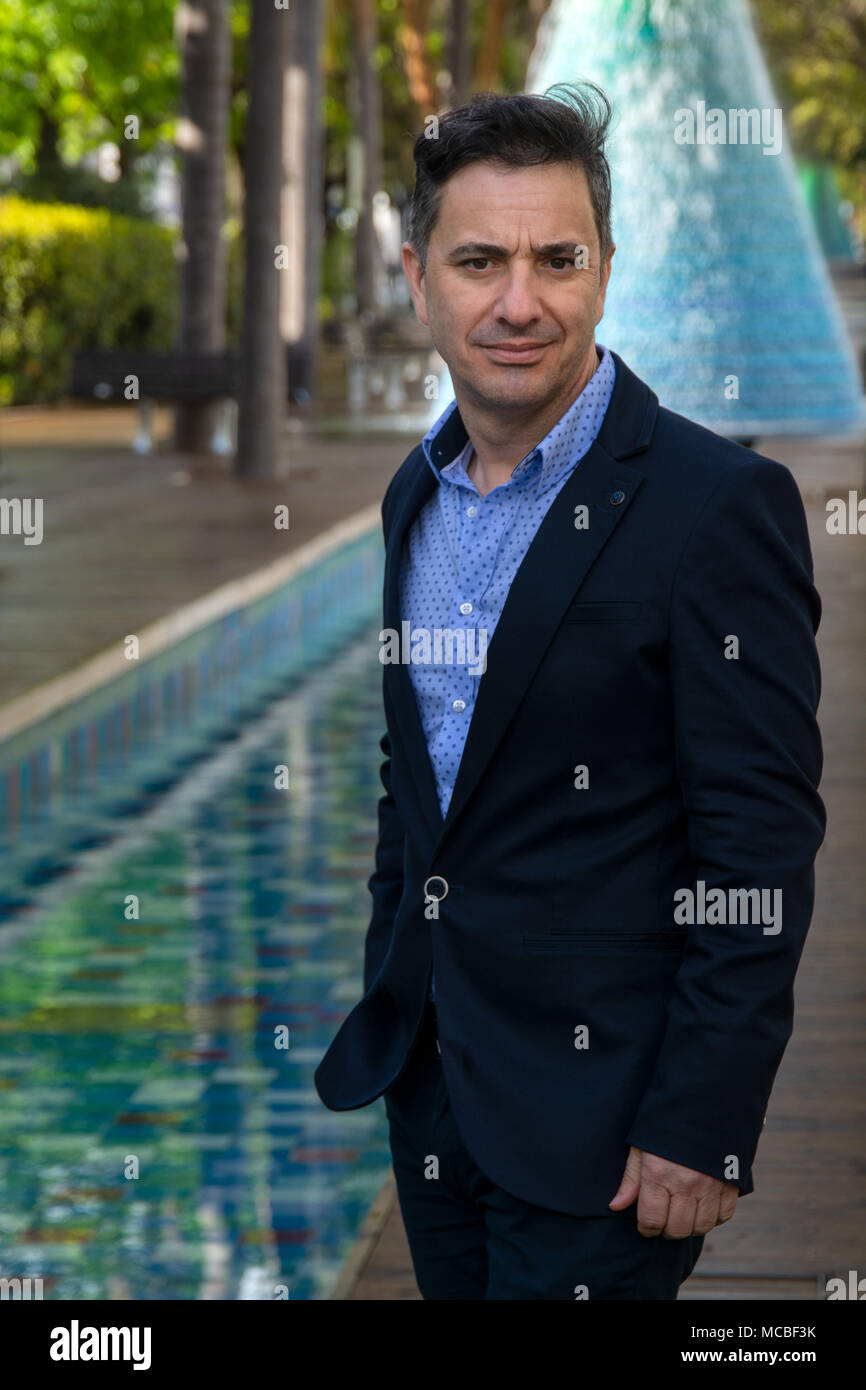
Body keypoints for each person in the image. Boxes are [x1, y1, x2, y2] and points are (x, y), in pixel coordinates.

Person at [314, 83, 826, 1300]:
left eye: (557, 258)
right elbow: (420, 780)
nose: (518, 301)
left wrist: (702, 1118)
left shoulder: (714, 508)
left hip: (606, 1129)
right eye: (479, 259)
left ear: (602, 268)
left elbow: (756, 850)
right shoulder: (414, 496)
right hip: (434, 1087)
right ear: (418, 274)